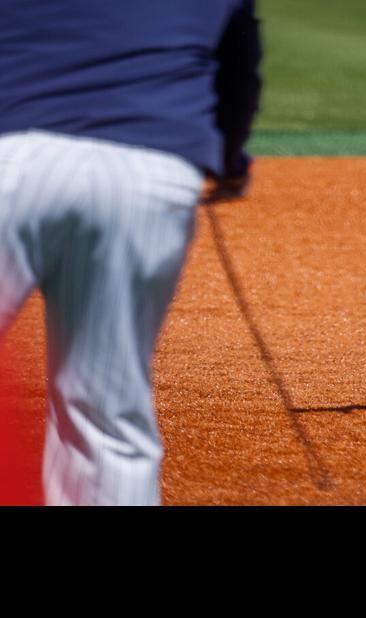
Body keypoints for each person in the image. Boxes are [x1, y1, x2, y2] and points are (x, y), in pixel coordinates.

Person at [0, 0, 262, 505]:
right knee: (106, 410)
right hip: (146, 169)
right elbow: (239, 72)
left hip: (7, 151)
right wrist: (229, 163)